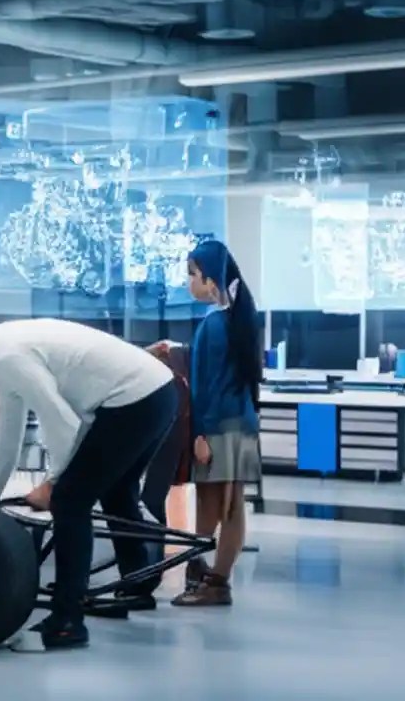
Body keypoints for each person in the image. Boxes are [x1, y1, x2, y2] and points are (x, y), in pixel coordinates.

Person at [0, 293, 177, 650]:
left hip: (135, 399)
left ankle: (67, 622)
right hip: (155, 390)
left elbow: (63, 424)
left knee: (71, 502)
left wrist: (53, 483)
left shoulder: (8, 356)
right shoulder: (4, 351)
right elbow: (8, 433)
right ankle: (135, 586)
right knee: (117, 491)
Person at [171, 239, 262, 607]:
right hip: (243, 425)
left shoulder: (213, 325)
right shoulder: (240, 319)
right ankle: (212, 576)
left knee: (211, 509)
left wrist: (202, 435)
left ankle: (210, 579)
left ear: (211, 281)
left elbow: (206, 387)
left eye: (192, 275)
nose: (188, 283)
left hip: (218, 428)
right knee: (234, 507)